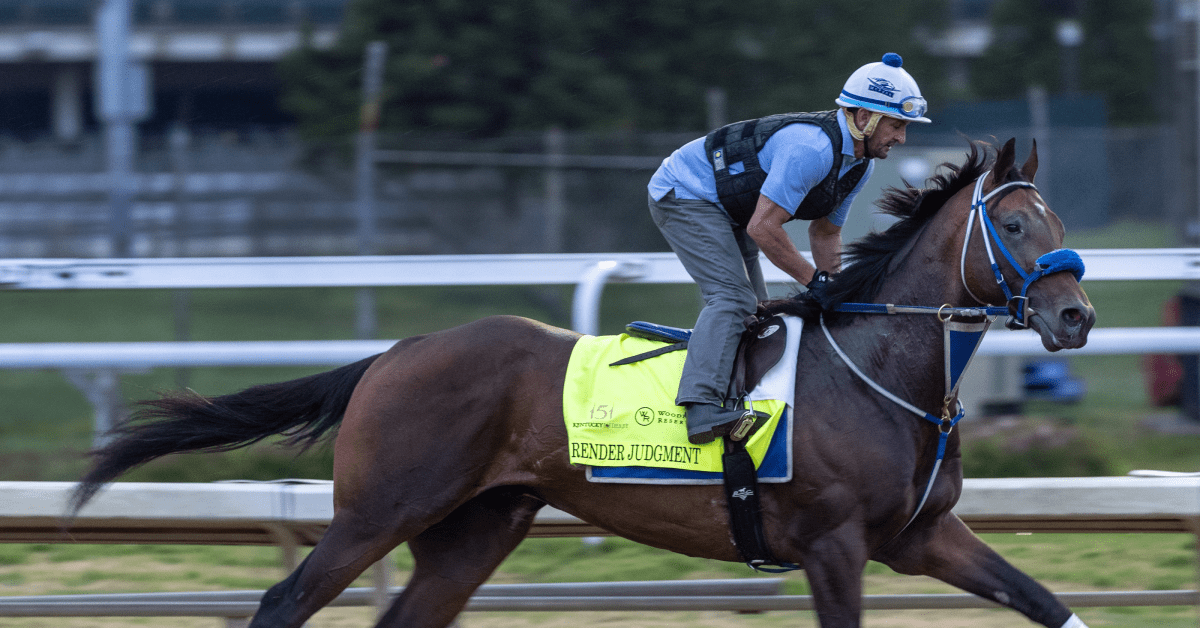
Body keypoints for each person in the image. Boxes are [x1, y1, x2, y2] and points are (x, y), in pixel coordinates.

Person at [647, 52, 931, 445]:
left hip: (730, 204)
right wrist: (815, 282)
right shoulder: (811, 150)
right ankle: (701, 407)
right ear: (863, 118)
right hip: (685, 194)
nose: (901, 138)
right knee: (732, 300)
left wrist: (836, 290)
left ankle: (735, 399)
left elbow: (826, 233)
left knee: (756, 311)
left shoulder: (860, 163)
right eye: (897, 125)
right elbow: (763, 227)